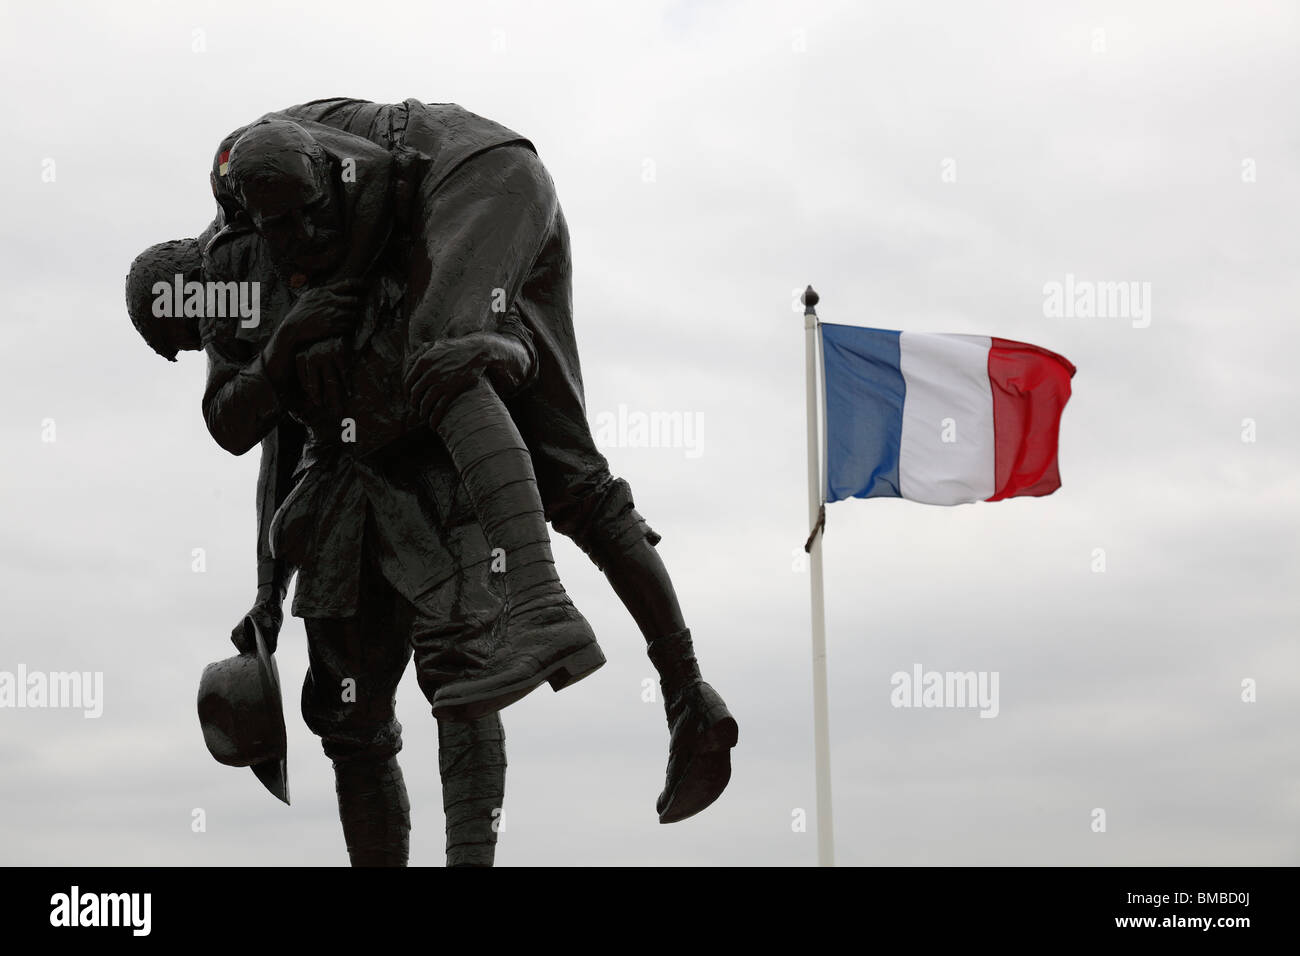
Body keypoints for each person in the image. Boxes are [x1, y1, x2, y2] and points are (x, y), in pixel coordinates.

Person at [212, 99, 738, 822]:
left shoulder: (286, 174)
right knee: (578, 483)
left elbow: (391, 204)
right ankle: (689, 694)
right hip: (502, 193)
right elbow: (281, 432)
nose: (303, 237)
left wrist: (331, 307)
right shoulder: (265, 254)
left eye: (306, 214)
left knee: (438, 352)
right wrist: (269, 588)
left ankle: (544, 607)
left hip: (484, 176)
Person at [126, 234, 524, 866]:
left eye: (192, 332)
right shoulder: (241, 304)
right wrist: (266, 594)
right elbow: (264, 442)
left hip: (432, 478)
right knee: (350, 721)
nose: (206, 345)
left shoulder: (314, 242)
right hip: (337, 512)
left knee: (463, 678)